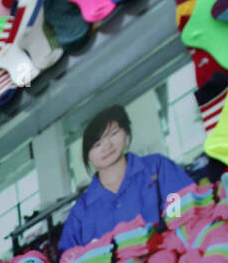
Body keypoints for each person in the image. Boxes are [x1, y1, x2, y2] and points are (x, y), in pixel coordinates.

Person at [57, 104, 195, 253]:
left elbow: (181, 204)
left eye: (113, 133)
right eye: (97, 144)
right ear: (88, 156)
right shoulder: (80, 212)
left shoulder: (156, 168)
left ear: (126, 131)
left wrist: (171, 235)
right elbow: (69, 259)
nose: (107, 146)